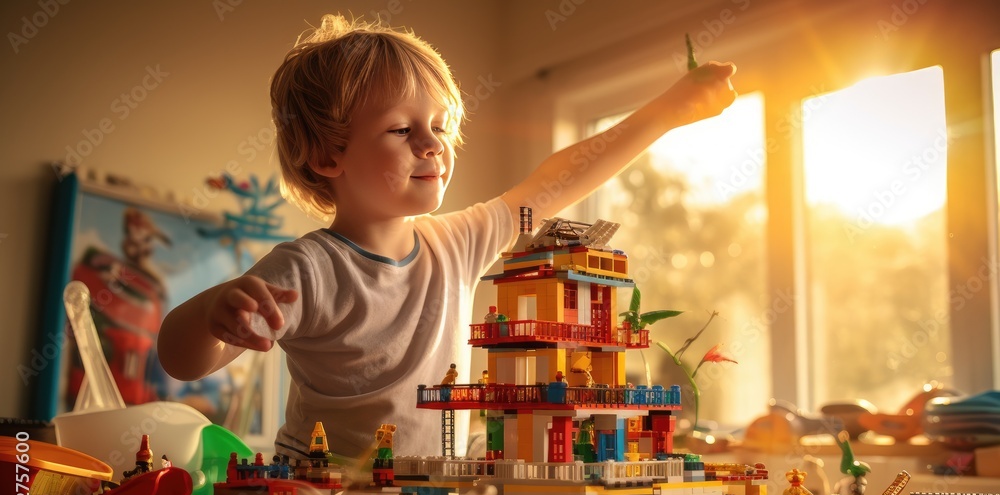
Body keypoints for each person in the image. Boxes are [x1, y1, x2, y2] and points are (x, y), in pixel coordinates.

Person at [157, 14, 736, 461]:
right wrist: (214, 313)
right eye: (403, 129)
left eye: (440, 126)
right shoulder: (308, 268)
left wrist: (670, 110)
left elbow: (559, 178)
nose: (432, 144)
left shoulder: (455, 243)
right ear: (328, 155)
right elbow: (182, 361)